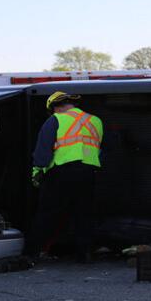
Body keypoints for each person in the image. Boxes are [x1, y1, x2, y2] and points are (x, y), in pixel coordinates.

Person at [26, 91, 104, 264]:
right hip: (87, 173)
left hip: (60, 172)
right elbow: (102, 149)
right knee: (83, 214)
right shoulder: (96, 121)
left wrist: (37, 173)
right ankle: (83, 255)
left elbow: (43, 151)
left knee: (47, 213)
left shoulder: (56, 120)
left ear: (56, 107)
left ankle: (32, 253)